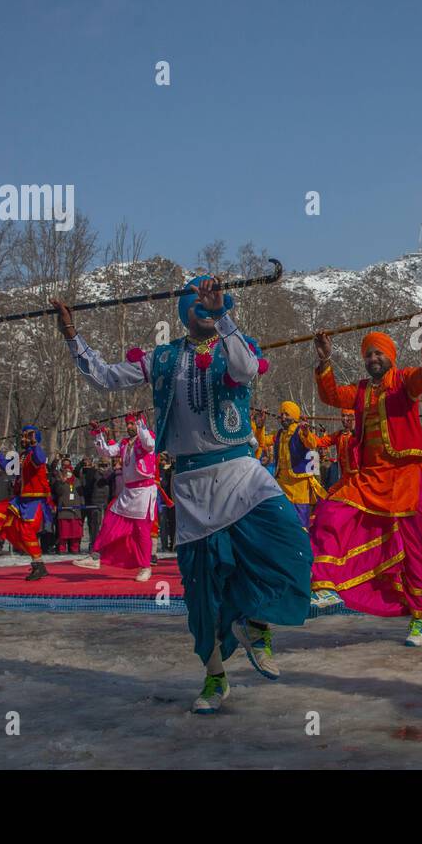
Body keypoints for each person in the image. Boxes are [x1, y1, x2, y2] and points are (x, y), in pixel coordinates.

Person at [54, 275, 311, 713]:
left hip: (239, 469)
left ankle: (258, 623)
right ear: (185, 310)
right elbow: (105, 377)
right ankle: (214, 678)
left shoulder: (236, 343)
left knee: (288, 538)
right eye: (200, 303)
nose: (206, 309)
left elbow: (246, 371)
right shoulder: (163, 356)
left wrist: (223, 316)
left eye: (213, 303)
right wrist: (73, 337)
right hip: (191, 483)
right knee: (201, 589)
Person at [309, 320, 422, 648]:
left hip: (406, 479)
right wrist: (325, 360)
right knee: (331, 511)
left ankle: (420, 619)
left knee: (412, 552)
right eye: (368, 355)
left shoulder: (404, 382)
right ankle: (325, 585)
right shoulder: (359, 391)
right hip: (370, 477)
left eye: (378, 354)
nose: (372, 360)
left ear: (390, 357)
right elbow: (329, 395)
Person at [74, 414, 158, 581]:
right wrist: (98, 433)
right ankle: (95, 556)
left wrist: (141, 422)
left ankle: (145, 567)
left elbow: (149, 443)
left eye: (132, 424)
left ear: (139, 424)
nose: (129, 427)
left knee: (141, 532)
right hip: (128, 492)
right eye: (128, 424)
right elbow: (105, 451)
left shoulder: (147, 439)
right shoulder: (124, 443)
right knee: (109, 520)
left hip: (144, 491)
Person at [0, 426, 57, 579]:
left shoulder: (35, 454)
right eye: (22, 436)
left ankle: (38, 564)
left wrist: (35, 444)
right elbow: (10, 468)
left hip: (34, 500)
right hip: (21, 499)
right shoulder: (22, 456)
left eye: (26, 437)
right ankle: (37, 563)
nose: (22, 439)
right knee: (6, 521)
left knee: (26, 531)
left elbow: (40, 459)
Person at [273, 401, 327, 530]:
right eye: (282, 414)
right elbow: (263, 442)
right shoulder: (279, 433)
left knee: (300, 522)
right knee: (282, 518)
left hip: (299, 484)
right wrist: (259, 427)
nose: (283, 417)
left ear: (294, 416)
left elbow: (312, 444)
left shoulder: (300, 431)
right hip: (281, 483)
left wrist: (306, 432)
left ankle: (302, 546)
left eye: (286, 414)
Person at [53, 459, 86, 556]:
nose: (68, 474)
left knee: (75, 532)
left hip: (76, 510)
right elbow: (58, 492)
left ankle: (74, 548)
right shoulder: (59, 481)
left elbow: (80, 494)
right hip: (64, 510)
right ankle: (62, 548)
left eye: (69, 471)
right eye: (66, 472)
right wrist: (62, 482)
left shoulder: (77, 480)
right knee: (63, 532)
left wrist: (82, 504)